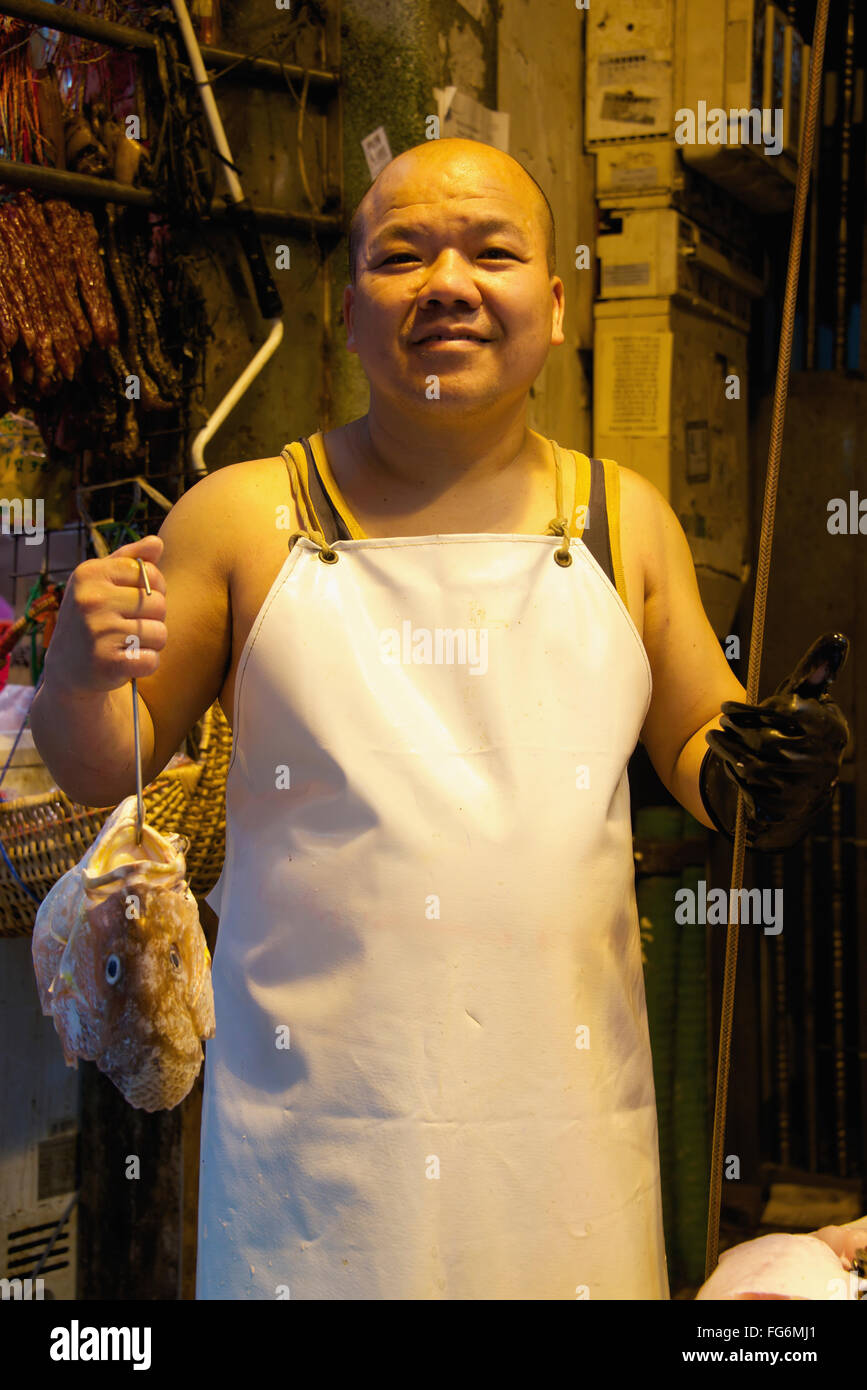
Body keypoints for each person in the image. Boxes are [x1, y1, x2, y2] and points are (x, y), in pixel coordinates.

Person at [29, 138, 848, 1300]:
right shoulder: (242, 519)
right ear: (348, 311)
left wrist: (767, 766)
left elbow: (698, 743)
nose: (448, 283)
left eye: (491, 253)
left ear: (553, 306)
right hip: (314, 1149)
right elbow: (102, 761)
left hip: (566, 1133)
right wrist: (75, 669)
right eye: (402, 256)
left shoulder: (623, 523)